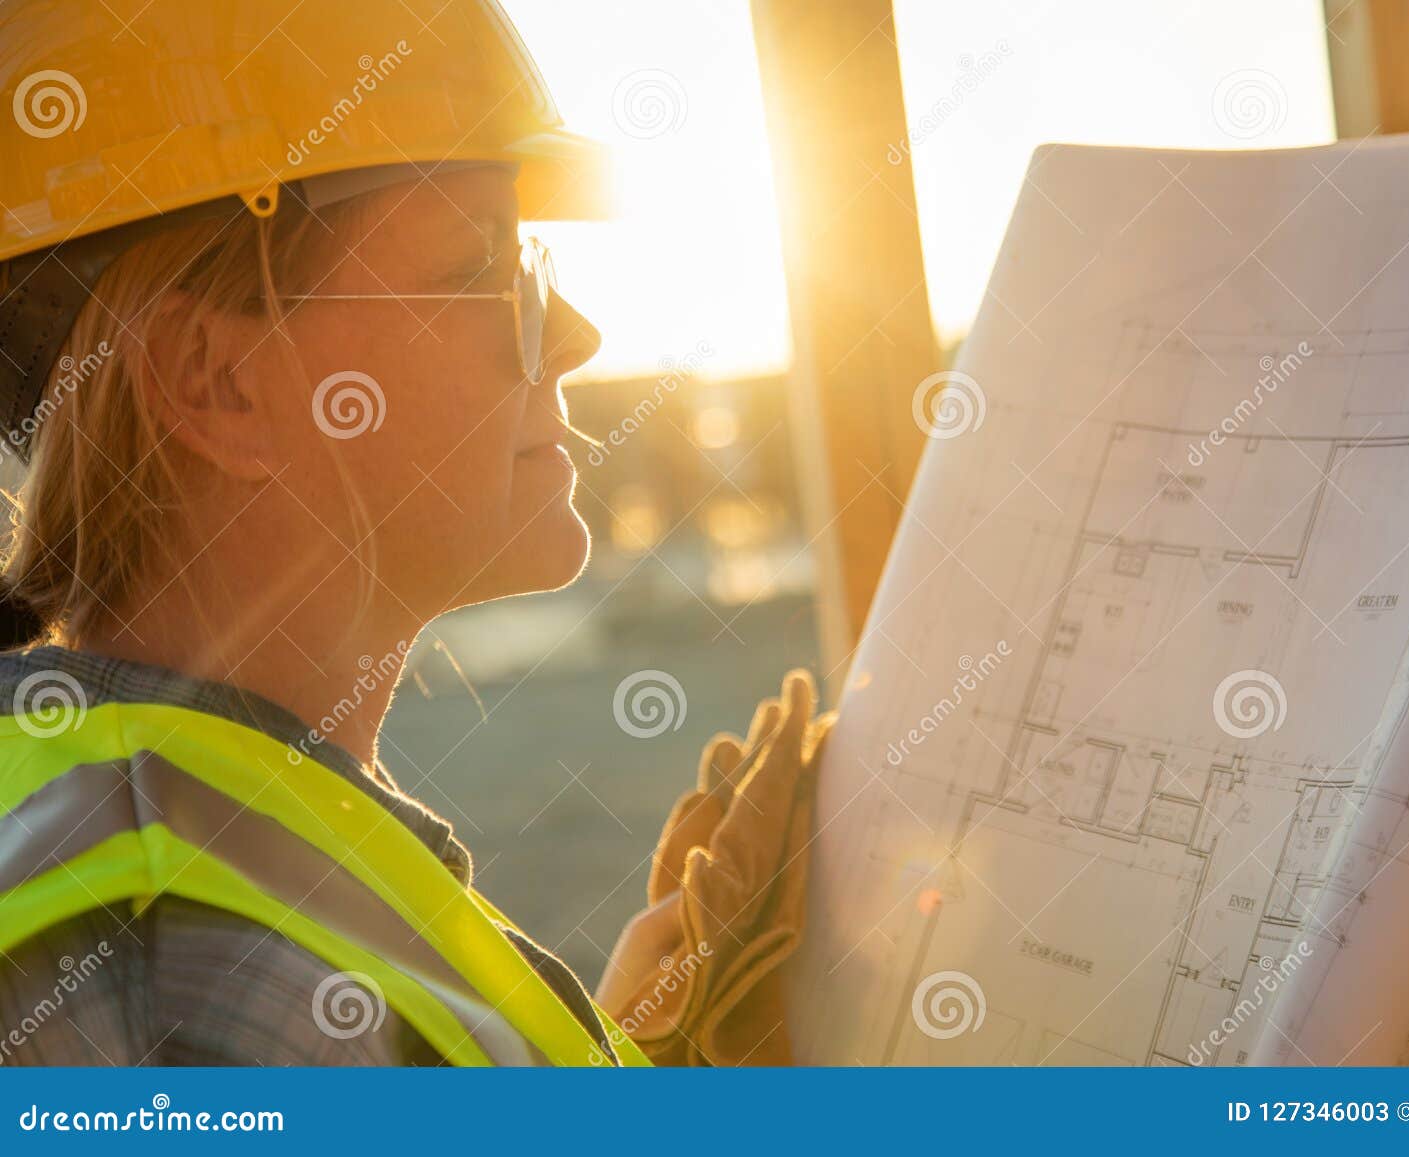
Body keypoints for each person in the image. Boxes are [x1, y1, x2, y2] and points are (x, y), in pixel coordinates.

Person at [0, 0, 829, 1067]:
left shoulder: (217, 872)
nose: (573, 334)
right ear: (216, 381)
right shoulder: (185, 980)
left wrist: (664, 1044)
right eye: (479, 262)